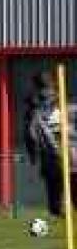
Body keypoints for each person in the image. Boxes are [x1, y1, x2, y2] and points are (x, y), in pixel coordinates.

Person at [24, 70, 77, 220]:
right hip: (68, 159)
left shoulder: (34, 109)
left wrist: (33, 155)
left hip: (55, 161)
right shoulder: (66, 103)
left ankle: (64, 216)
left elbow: (30, 135)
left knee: (55, 206)